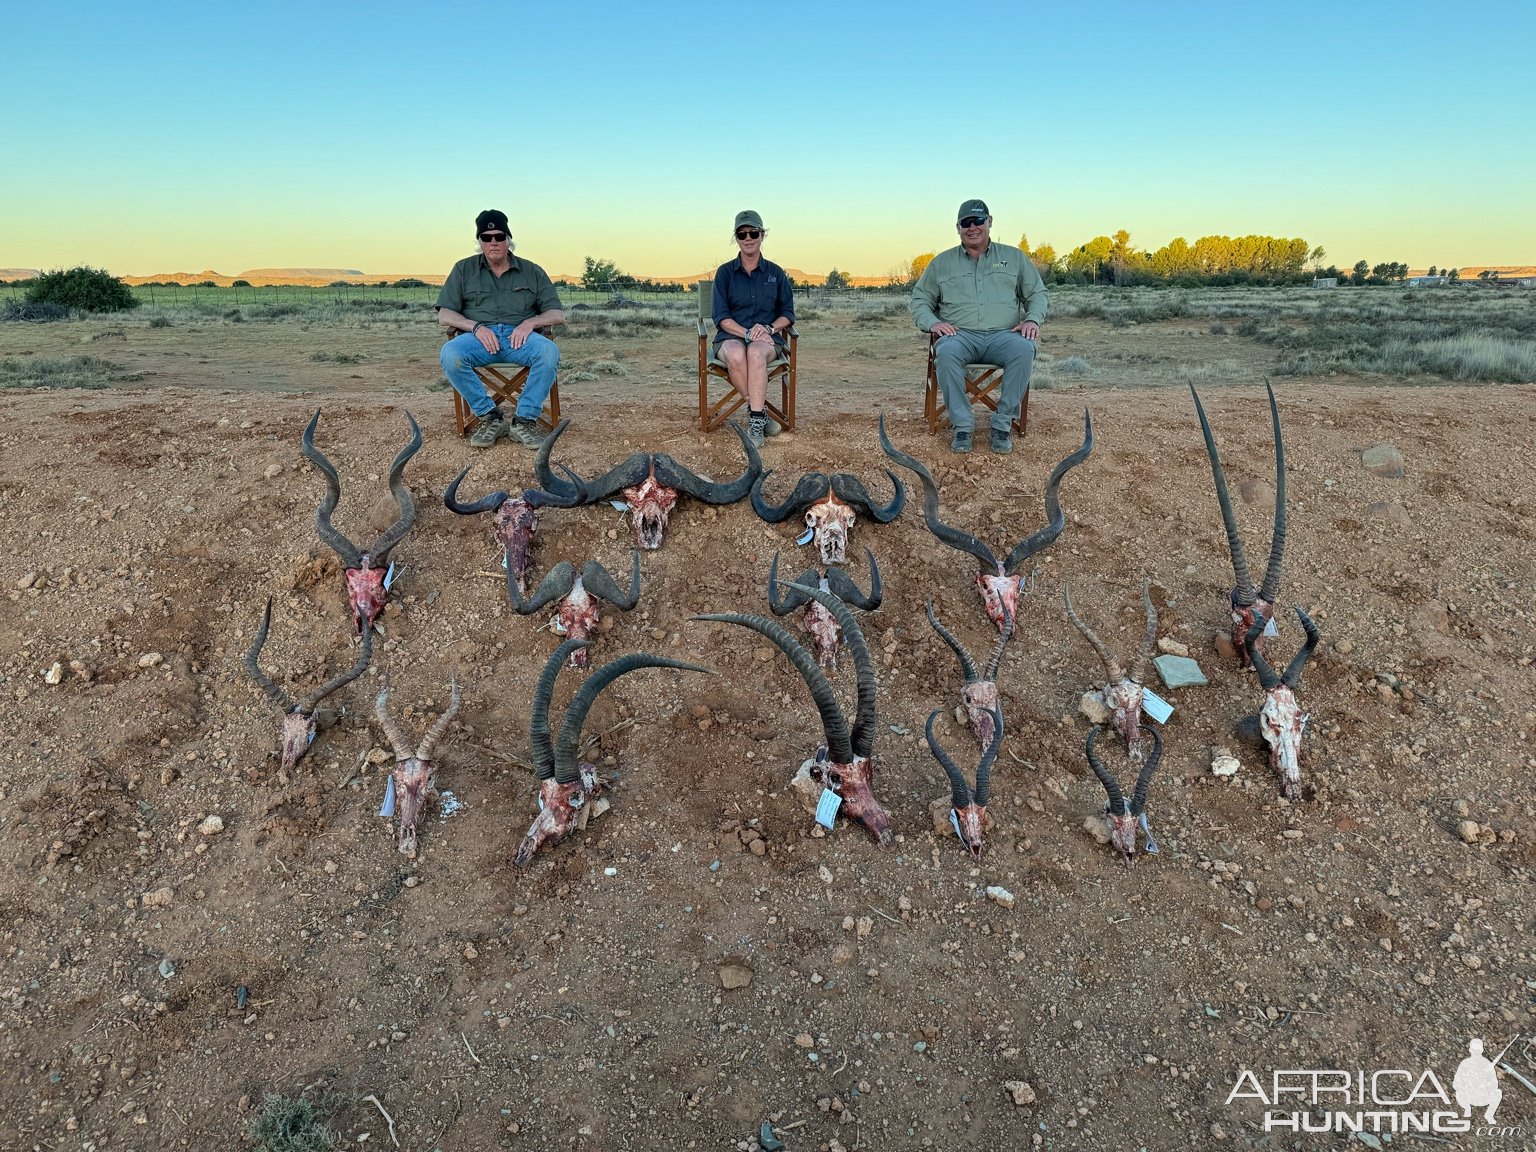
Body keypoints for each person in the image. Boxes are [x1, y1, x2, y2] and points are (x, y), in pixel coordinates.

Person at [910, 198, 1047, 456]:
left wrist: (1032, 319)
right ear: (958, 227)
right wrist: (933, 323)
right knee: (946, 352)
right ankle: (962, 426)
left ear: (989, 222)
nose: (972, 227)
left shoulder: (1014, 257)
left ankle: (1002, 424)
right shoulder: (941, 263)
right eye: (966, 223)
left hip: (1003, 336)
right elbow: (919, 300)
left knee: (1024, 349)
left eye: (978, 221)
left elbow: (1037, 293)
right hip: (960, 336)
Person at [436, 209, 566, 449]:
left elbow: (557, 314)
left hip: (521, 340)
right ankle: (489, 416)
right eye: (486, 238)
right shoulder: (463, 269)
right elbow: (445, 314)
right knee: (449, 353)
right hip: (479, 341)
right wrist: (474, 327)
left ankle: (524, 420)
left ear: (508, 240)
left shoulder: (532, 271)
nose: (493, 242)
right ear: (480, 243)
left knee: (548, 352)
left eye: (499, 236)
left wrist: (530, 323)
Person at [711, 210, 795, 448]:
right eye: (742, 234)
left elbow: (787, 314)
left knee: (755, 352)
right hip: (730, 335)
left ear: (762, 235)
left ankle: (755, 422)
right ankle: (759, 414)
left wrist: (768, 329)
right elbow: (721, 317)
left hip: (766, 339)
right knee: (737, 353)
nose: (748, 238)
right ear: (736, 238)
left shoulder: (776, 273)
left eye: (753, 233)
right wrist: (747, 332)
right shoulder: (725, 273)